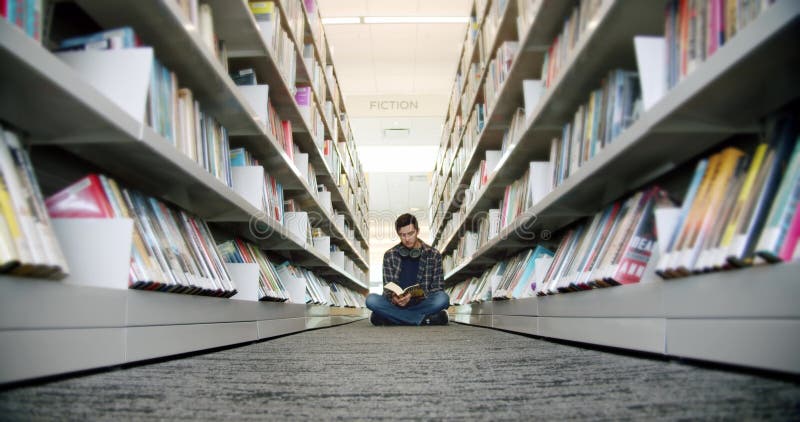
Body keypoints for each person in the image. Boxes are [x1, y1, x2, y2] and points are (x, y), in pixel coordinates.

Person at [365, 213, 450, 326]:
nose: (407, 239)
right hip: (397, 305)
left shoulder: (433, 254)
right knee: (371, 300)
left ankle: (392, 318)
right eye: (402, 235)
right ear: (398, 234)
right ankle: (422, 319)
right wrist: (394, 299)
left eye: (410, 233)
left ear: (418, 231)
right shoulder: (390, 255)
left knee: (443, 298)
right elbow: (388, 288)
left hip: (422, 303)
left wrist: (414, 296)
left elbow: (437, 288)